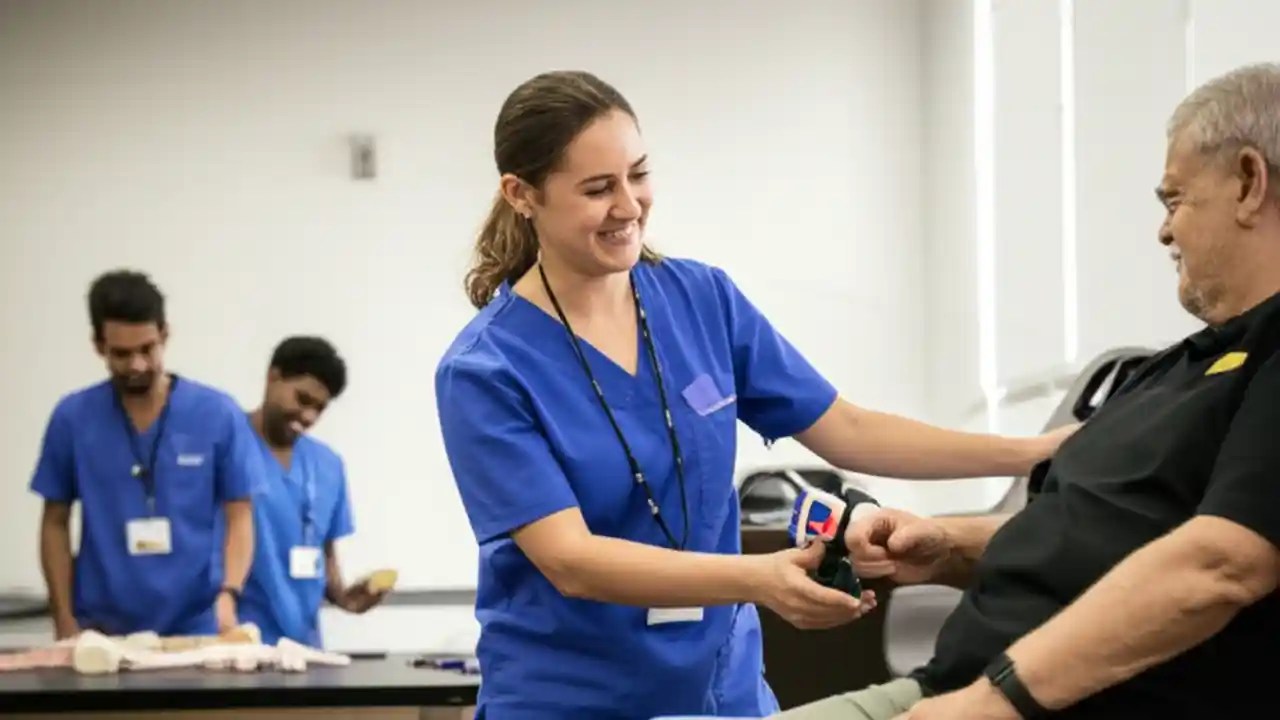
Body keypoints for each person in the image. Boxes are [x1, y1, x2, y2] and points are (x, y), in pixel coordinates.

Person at [433, 70, 1076, 720]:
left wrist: (1037, 452)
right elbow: (571, 561)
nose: (628, 205)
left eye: (639, 174)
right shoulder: (486, 370)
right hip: (572, 700)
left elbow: (846, 428)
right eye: (598, 189)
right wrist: (757, 580)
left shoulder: (701, 301)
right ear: (521, 194)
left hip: (725, 694)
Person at [769, 62, 1280, 720]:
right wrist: (946, 546)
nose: (1163, 231)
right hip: (948, 686)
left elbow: (1221, 564)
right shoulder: (1167, 371)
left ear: (1248, 181)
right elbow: (1075, 534)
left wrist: (991, 701)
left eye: (1175, 201)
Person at [31, 270, 259, 639]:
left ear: (164, 336)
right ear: (98, 345)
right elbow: (54, 522)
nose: (137, 365)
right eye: (121, 354)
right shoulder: (73, 418)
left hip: (196, 626)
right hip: (101, 631)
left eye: (147, 349)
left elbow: (241, 515)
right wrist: (63, 618)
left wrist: (229, 594)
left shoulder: (217, 414)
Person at [238, 336, 387, 647]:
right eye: (302, 399)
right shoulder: (226, 447)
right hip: (236, 645)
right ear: (273, 376)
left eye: (319, 408)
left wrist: (345, 598)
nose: (308, 417)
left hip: (304, 651)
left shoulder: (328, 465)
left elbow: (324, 551)